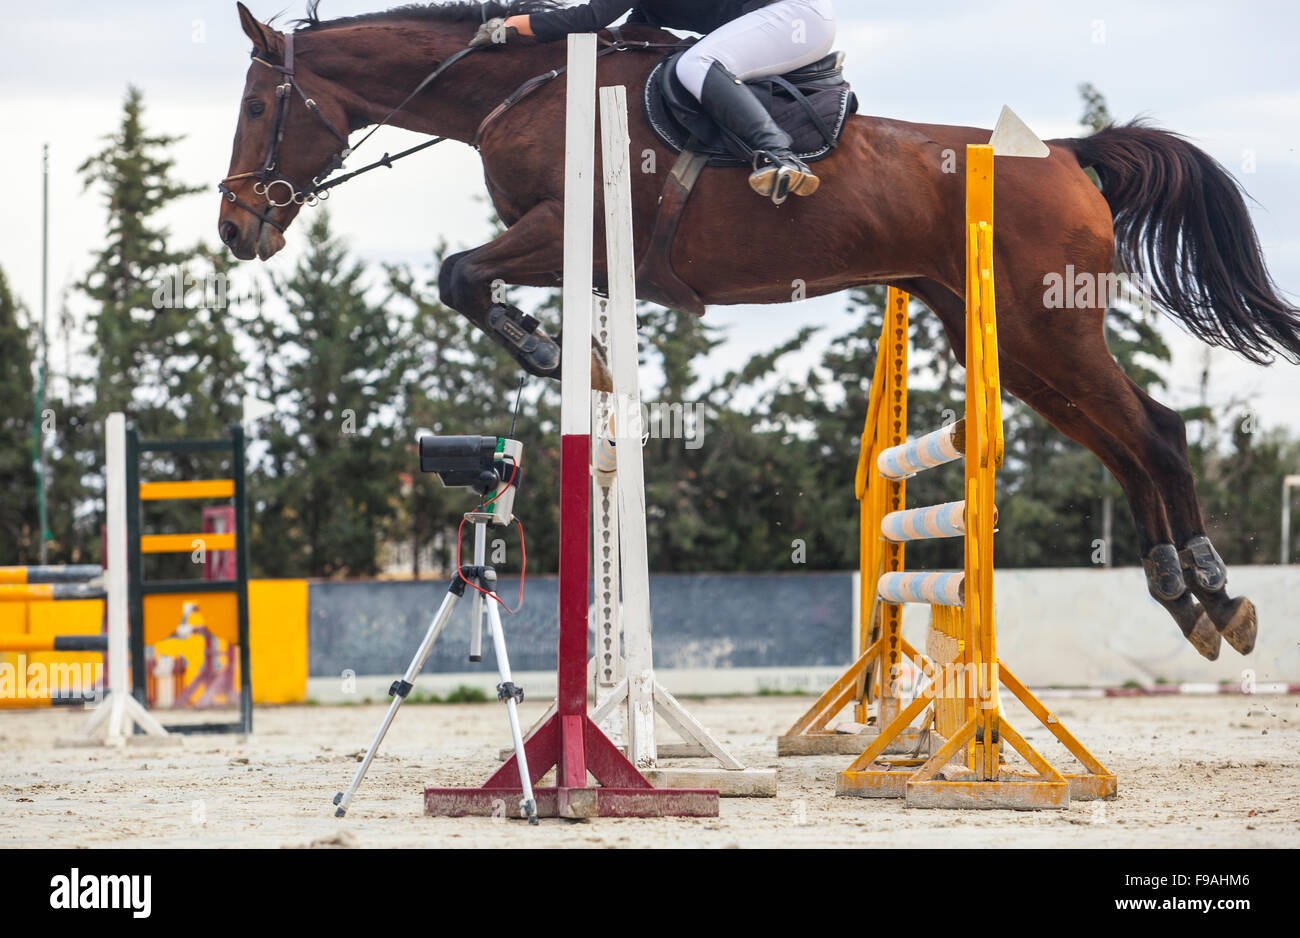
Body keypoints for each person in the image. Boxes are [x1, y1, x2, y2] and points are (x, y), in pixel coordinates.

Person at [471, 1, 838, 204]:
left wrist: (511, 25)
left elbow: (586, 18)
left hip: (794, 17)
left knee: (698, 64)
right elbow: (634, 31)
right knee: (690, 64)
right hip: (783, 19)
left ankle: (777, 154)